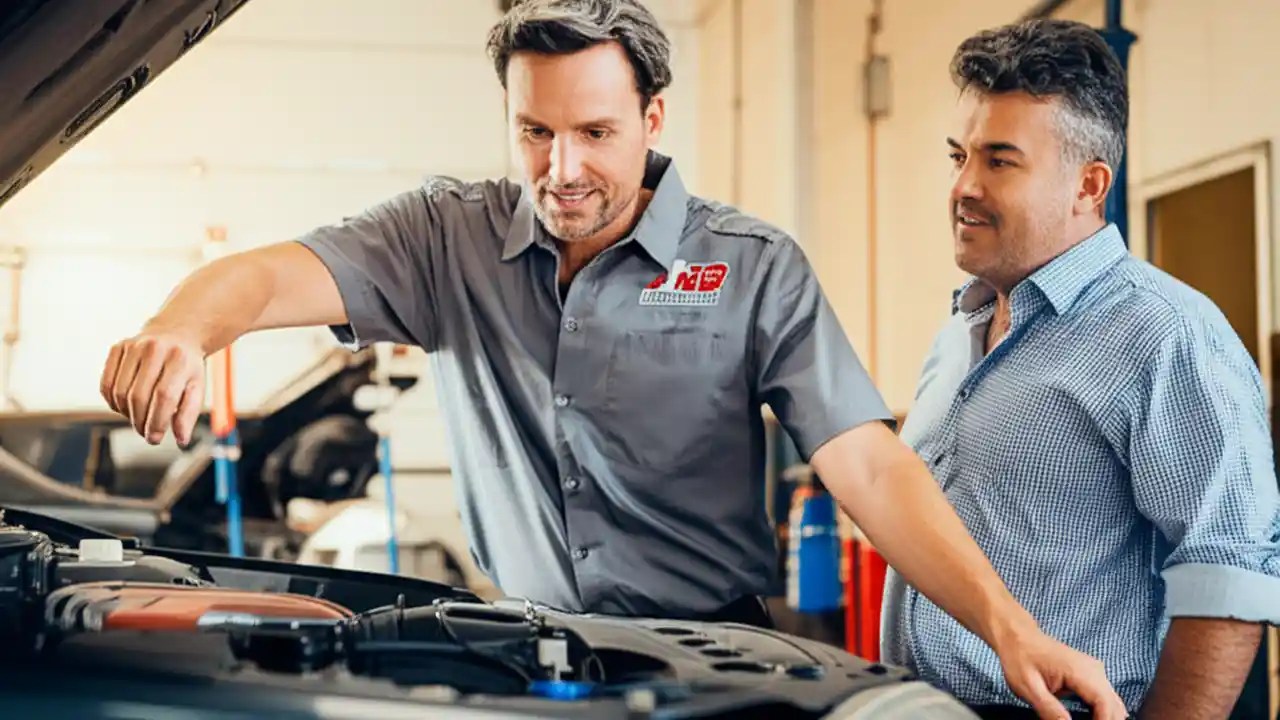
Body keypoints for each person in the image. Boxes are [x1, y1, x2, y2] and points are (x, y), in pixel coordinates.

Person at [99, 3, 1124, 717]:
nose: (561, 168)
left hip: (713, 663)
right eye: (533, 131)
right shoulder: (441, 239)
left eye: (594, 131)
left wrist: (1005, 628)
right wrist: (186, 327)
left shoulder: (748, 265)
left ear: (653, 119)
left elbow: (866, 464)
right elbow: (269, 278)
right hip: (513, 656)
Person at [881, 16, 1280, 720]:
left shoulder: (1165, 334)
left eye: (999, 160)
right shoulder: (962, 325)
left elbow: (1228, 582)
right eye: (958, 155)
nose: (964, 186)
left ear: (1089, 186)